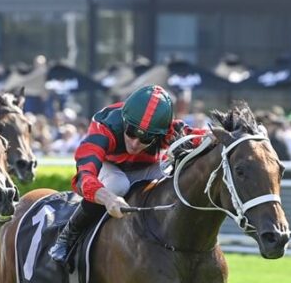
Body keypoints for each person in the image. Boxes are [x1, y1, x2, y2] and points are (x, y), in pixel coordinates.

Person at [48, 84, 208, 265]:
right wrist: (108, 198)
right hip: (110, 167)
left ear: (160, 132)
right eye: (131, 132)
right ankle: (68, 234)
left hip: (146, 167)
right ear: (124, 120)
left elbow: (202, 137)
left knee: (173, 174)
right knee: (118, 184)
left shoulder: (168, 129)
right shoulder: (105, 126)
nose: (135, 143)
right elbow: (84, 175)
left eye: (146, 138)